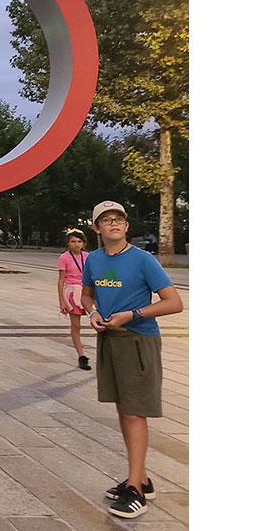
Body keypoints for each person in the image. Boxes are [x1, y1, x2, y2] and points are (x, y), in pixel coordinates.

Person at [80, 201, 183, 519]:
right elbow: (87, 294)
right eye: (106, 220)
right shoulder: (94, 260)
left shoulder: (142, 260)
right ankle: (140, 478)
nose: (113, 224)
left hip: (138, 341)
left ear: (126, 227)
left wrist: (133, 314)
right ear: (96, 228)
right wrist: (93, 312)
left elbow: (173, 302)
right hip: (110, 339)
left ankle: (136, 490)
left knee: (136, 412)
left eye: (119, 220)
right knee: (123, 409)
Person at [57, 228, 92, 370]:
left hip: (88, 291)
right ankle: (81, 356)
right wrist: (61, 301)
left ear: (83, 243)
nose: (76, 244)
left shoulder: (88, 257)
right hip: (72, 292)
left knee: (100, 321)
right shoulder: (64, 258)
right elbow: (61, 280)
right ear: (68, 243)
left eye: (79, 241)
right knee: (76, 326)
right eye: (73, 242)